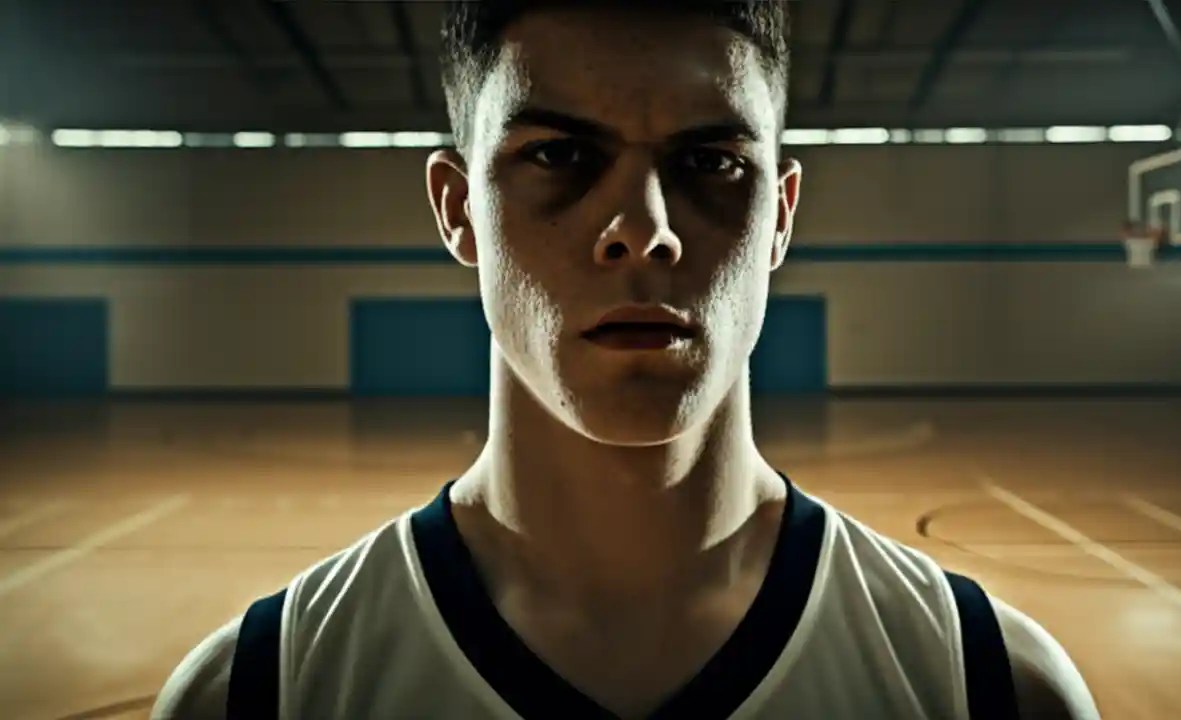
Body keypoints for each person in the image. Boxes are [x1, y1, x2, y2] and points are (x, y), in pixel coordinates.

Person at [153, 2, 1100, 717]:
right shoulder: (262, 689)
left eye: (712, 163)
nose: (641, 233)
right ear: (456, 210)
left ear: (781, 214)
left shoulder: (986, 685)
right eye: (560, 155)